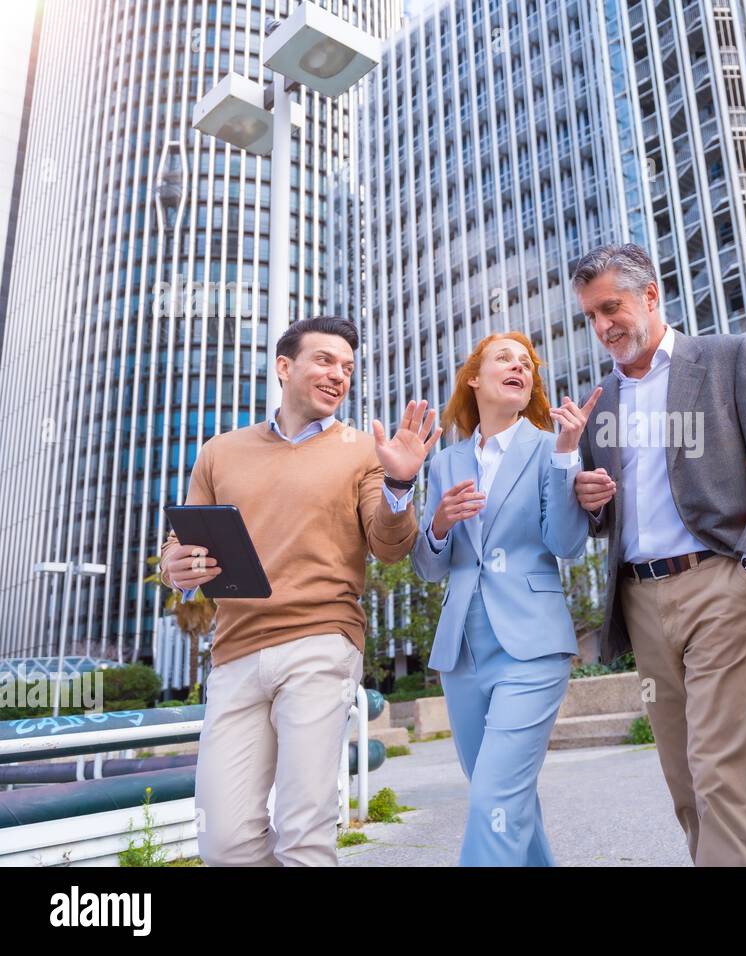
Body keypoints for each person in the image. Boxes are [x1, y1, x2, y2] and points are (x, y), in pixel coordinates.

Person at [159, 316, 438, 866]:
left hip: (321, 641)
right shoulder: (220, 452)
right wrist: (177, 566)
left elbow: (388, 545)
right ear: (285, 367)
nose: (340, 375)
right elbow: (179, 545)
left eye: (349, 367)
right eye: (326, 360)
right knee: (224, 840)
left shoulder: (363, 450)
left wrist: (401, 484)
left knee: (303, 830)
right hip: (234, 652)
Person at [571, 243, 746, 867]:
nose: (602, 327)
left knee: (720, 769)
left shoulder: (727, 359)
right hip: (640, 600)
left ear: (651, 296)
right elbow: (605, 518)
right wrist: (591, 500)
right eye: (590, 317)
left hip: (719, 583)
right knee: (683, 777)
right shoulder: (601, 406)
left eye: (611, 307)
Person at [409, 331, 594, 866]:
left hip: (531, 645)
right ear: (474, 378)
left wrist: (565, 458)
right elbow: (427, 567)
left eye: (527, 363)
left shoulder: (549, 446)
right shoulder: (446, 463)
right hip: (462, 652)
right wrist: (440, 525)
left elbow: (566, 543)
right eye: (504, 359)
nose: (520, 367)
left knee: (495, 795)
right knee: (507, 798)